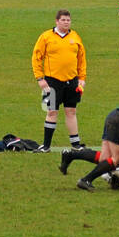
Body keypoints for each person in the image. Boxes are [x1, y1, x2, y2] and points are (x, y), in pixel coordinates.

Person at [31, 9, 86, 153]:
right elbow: (36, 57)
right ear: (57, 21)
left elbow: (81, 59)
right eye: (63, 20)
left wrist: (82, 79)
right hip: (51, 81)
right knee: (51, 112)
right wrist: (40, 78)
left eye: (68, 20)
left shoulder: (75, 37)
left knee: (71, 111)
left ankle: (76, 144)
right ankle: (46, 146)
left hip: (72, 81)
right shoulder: (46, 37)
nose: (66, 22)